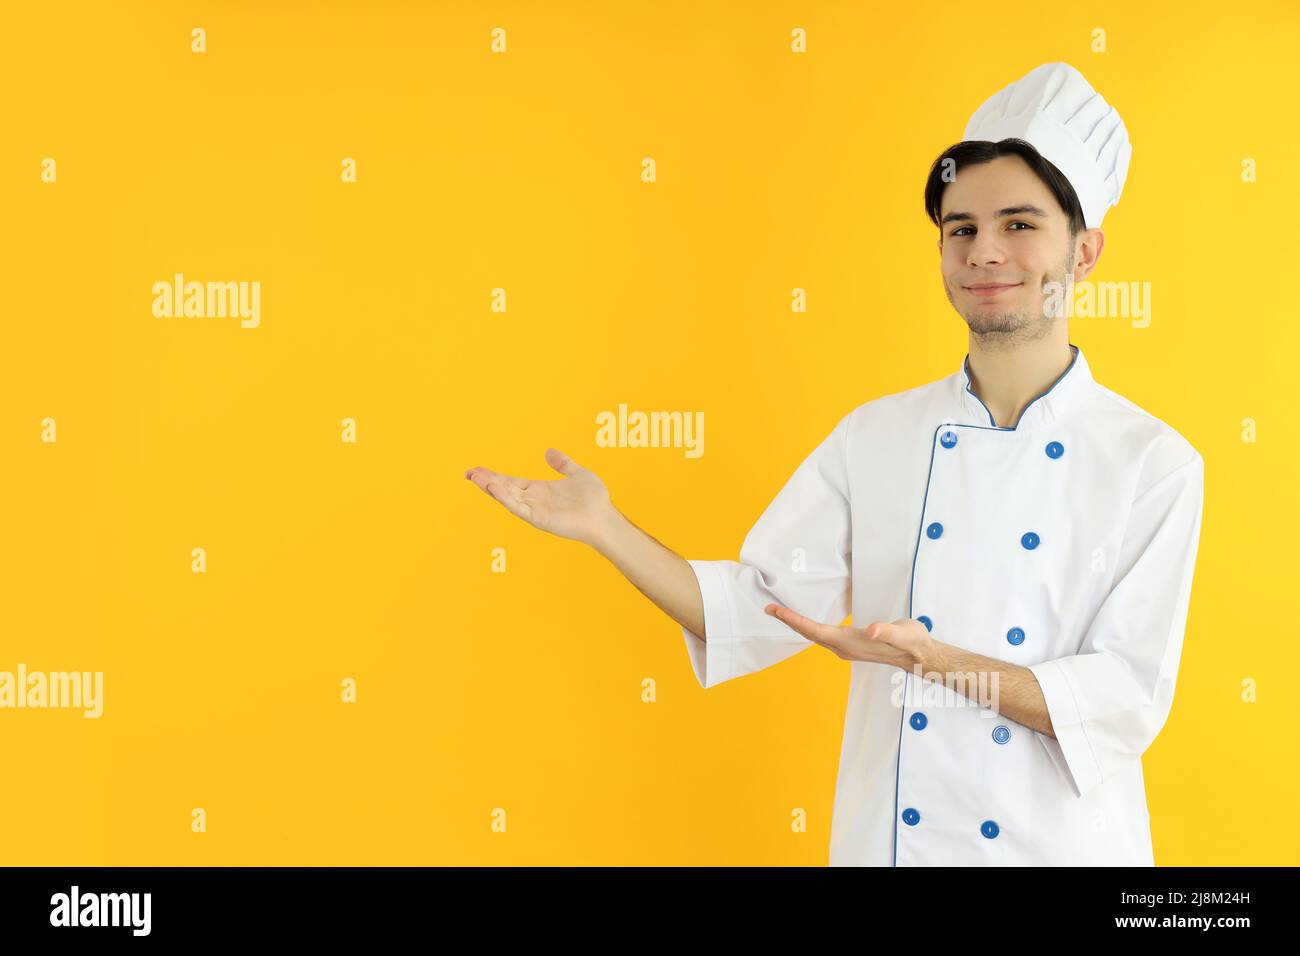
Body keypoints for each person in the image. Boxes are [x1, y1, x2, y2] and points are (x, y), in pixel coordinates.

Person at [464, 62, 1205, 866]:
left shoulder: (1152, 463)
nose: (985, 252)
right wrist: (606, 528)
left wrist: (933, 659)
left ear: (1085, 251)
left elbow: (1122, 702)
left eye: (1019, 224)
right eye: (961, 228)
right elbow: (752, 609)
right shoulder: (876, 436)